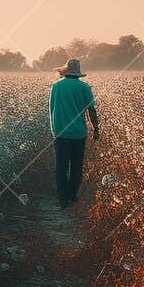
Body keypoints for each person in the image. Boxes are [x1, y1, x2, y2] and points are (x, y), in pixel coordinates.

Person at [49, 57, 99, 207]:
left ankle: (62, 198)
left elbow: (52, 109)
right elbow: (91, 110)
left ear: (65, 71)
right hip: (79, 133)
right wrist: (96, 129)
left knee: (61, 166)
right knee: (76, 166)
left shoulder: (56, 86)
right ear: (78, 73)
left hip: (60, 132)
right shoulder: (84, 88)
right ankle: (72, 196)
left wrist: (54, 129)